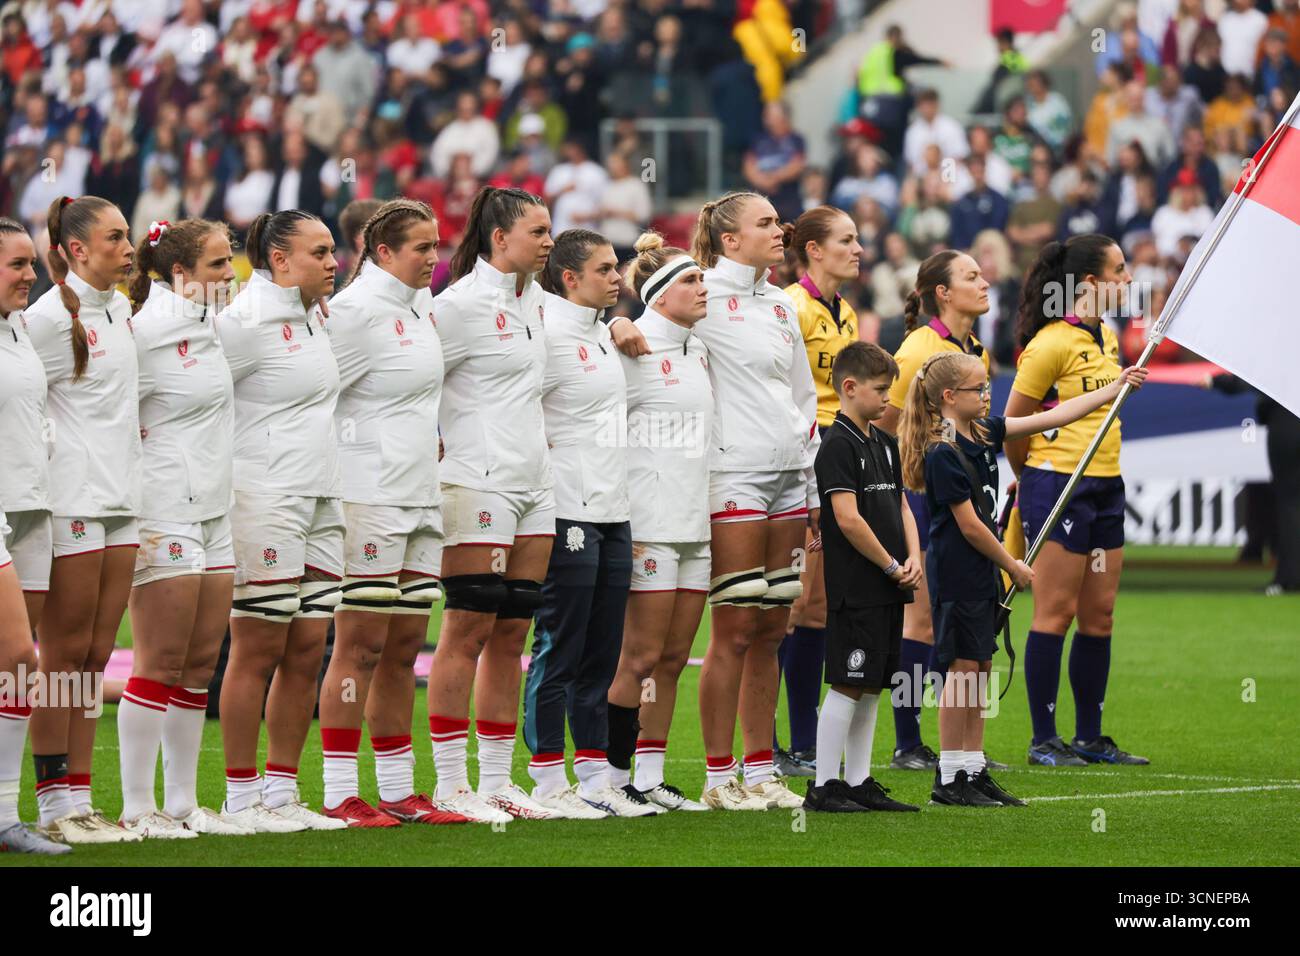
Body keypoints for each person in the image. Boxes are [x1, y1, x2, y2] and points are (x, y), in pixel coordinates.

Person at [900, 351, 1147, 805]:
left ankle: (972, 768)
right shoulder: (942, 451)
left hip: (979, 573)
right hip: (958, 572)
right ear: (950, 397)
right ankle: (950, 775)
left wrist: (1116, 389)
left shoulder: (984, 430)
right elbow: (970, 524)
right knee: (960, 671)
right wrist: (1010, 563)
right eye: (979, 388)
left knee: (979, 667)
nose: (988, 394)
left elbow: (1056, 415)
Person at [318, 199, 469, 827]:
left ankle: (400, 789)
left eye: (436, 246)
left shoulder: (422, 306)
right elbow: (319, 399)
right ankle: (336, 790)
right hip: (369, 495)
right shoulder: (351, 313)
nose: (433, 258)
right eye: (420, 248)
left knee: (405, 646)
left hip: (420, 494)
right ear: (382, 252)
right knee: (358, 646)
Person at [215, 209, 349, 832]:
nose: (333, 262)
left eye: (332, 251)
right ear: (278, 259)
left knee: (308, 648)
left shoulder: (317, 316)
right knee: (258, 647)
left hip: (324, 499)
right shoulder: (241, 323)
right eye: (320, 253)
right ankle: (240, 798)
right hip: (267, 498)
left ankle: (281, 792)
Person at [426, 186, 556, 823]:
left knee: (514, 633)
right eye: (538, 231)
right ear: (500, 238)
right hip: (477, 481)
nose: (549, 241)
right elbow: (416, 387)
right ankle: (451, 784)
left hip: (536, 487)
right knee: (468, 628)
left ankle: (497, 780)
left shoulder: (538, 300)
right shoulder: (456, 307)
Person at [119, 218, 251, 837]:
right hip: (163, 506)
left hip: (214, 510)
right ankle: (136, 807)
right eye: (220, 265)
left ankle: (181, 804)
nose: (231, 275)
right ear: (179, 274)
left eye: (231, 263)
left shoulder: (215, 327)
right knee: (160, 659)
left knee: (200, 662)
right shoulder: (139, 333)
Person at [690, 191, 817, 811]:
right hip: (732, 475)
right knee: (735, 628)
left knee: (773, 628)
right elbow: (640, 325)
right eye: (765, 222)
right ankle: (718, 778)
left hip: (789, 476)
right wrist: (626, 325)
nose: (781, 229)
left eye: (779, 219)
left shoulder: (782, 305)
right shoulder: (699, 294)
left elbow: (804, 398)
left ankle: (762, 770)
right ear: (729, 240)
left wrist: (812, 481)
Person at [522, 228, 654, 818]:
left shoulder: (605, 334)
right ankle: (546, 779)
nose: (616, 278)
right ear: (569, 278)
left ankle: (595, 777)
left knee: (603, 651)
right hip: (566, 509)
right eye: (604, 270)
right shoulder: (543, 332)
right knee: (560, 644)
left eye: (616, 268)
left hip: (614, 512)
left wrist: (618, 325)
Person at [1005, 234, 1151, 767]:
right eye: (1119, 269)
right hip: (1058, 484)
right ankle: (1044, 739)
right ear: (1089, 282)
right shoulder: (1050, 343)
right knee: (1056, 611)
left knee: (1100, 614)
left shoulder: (1107, 338)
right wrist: (1032, 477)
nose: (1129, 279)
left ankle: (1090, 737)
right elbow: (1012, 425)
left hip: (1106, 485)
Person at [25, 195, 142, 844]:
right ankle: (51, 806)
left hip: (123, 500)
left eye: (128, 235)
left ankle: (79, 796)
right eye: (114, 238)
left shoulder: (120, 309)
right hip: (71, 501)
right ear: (75, 250)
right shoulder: (45, 320)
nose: (128, 248)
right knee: (63, 656)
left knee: (95, 657)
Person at [603, 232, 712, 812]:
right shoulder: (629, 347)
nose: (703, 288)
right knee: (638, 658)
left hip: (695, 525)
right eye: (691, 281)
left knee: (672, 659)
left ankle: (650, 777)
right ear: (660, 295)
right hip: (648, 524)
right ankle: (612, 778)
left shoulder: (699, 349)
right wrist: (616, 324)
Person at [877, 249, 994, 772]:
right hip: (920, 499)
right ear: (942, 293)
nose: (984, 281)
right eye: (971, 276)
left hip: (955, 498)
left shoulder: (973, 349)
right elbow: (884, 428)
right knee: (921, 623)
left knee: (959, 625)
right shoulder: (918, 350)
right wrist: (896, 497)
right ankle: (908, 741)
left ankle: (962, 749)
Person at [804, 341, 921, 814]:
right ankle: (824, 785)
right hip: (859, 585)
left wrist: (913, 556)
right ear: (849, 388)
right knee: (849, 681)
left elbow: (901, 507)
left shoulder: (885, 443)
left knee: (873, 681)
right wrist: (891, 565)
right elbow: (847, 519)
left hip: (890, 582)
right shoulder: (836, 445)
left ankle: (859, 779)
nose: (887, 398)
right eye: (880, 390)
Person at [774, 206, 863, 777]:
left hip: (840, 457)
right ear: (813, 250)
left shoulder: (846, 312)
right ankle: (778, 742)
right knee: (793, 604)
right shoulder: (789, 305)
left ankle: (802, 741)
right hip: (802, 459)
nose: (858, 248)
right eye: (846, 240)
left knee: (820, 605)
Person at [0, 217, 70, 853]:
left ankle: (3, 817)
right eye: (16, 266)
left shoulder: (19, 327)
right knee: (20, 658)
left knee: (16, 670)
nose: (30, 277)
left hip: (31, 505)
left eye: (31, 265)